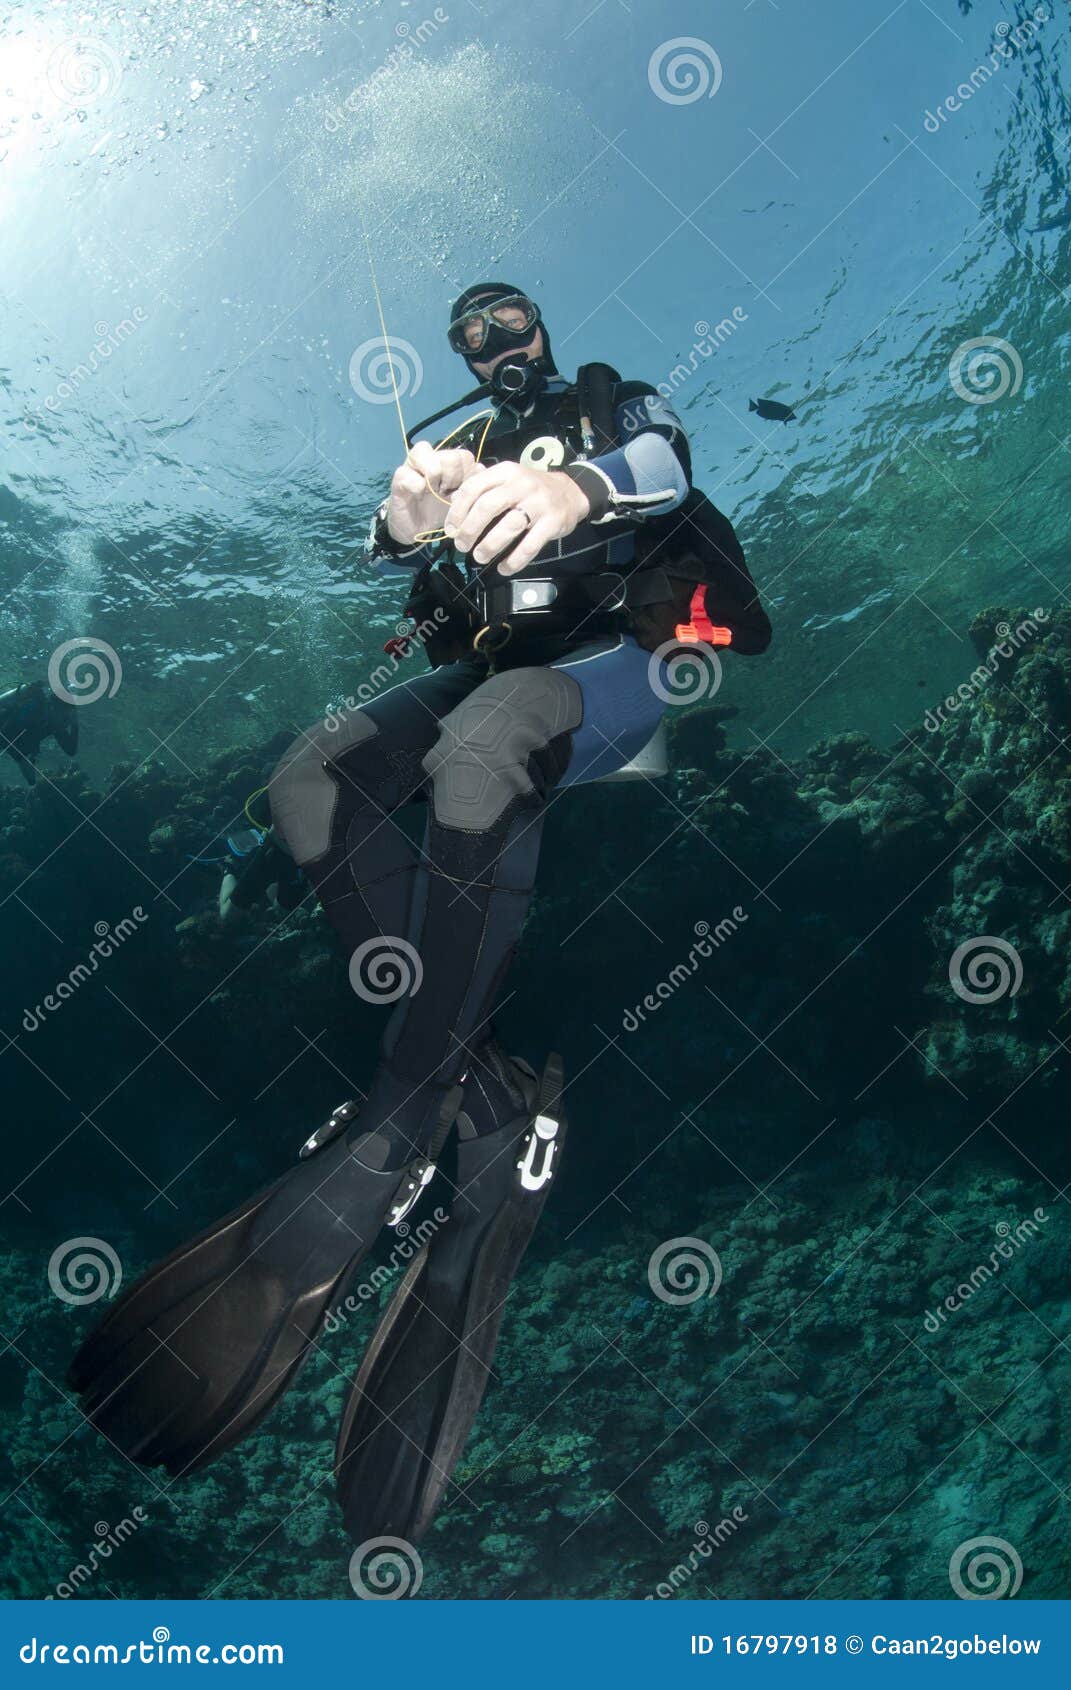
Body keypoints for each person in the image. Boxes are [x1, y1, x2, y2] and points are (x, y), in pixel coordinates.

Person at [69, 283, 771, 1549]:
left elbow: (668, 464)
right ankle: (489, 1108)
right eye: (472, 337)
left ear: (544, 329)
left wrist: (575, 490)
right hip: (500, 672)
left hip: (623, 663)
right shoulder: (465, 443)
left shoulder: (607, 403)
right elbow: (399, 551)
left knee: (483, 748)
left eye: (512, 323)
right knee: (309, 779)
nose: (497, 347)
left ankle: (400, 1120)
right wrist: (398, 523)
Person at [0, 679, 78, 784]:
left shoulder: (53, 723)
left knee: (32, 781)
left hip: (14, 744)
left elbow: (70, 750)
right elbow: (71, 750)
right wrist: (75, 725)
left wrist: (74, 725)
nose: (65, 721)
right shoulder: (42, 710)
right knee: (31, 780)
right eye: (66, 715)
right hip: (9, 738)